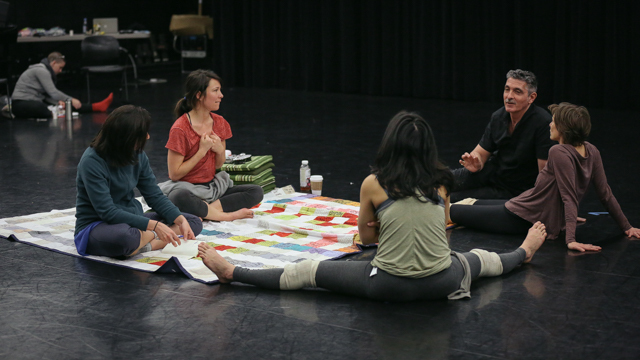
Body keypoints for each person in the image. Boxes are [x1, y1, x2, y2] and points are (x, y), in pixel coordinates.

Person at [196, 111, 547, 302]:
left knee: (306, 271)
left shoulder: (374, 184)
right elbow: (441, 229)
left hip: (387, 284)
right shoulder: (441, 181)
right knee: (483, 260)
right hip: (441, 281)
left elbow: (365, 237)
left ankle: (232, 273)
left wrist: (380, 229)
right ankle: (524, 251)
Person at [450, 102, 640, 252]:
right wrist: (627, 227)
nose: (550, 123)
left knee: (452, 211)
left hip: (525, 217)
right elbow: (604, 194)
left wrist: (571, 240)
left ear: (563, 128)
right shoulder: (591, 150)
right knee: (470, 202)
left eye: (554, 121)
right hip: (523, 204)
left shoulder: (558, 152)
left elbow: (569, 196)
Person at [74, 105, 202, 258]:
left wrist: (178, 219)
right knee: (126, 239)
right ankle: (148, 240)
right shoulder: (92, 161)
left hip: (131, 220)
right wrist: (154, 227)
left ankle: (146, 244)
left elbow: (154, 195)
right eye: (143, 133)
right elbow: (107, 212)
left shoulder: (138, 155)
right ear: (126, 137)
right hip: (97, 224)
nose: (147, 137)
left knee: (192, 222)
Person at [159, 69, 263, 221]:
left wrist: (220, 151)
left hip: (213, 188)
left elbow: (218, 165)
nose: (221, 95)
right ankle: (223, 215)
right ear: (199, 95)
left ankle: (204, 211)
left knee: (256, 191)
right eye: (216, 91)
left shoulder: (220, 123)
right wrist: (201, 151)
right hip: (187, 189)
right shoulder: (180, 128)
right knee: (178, 197)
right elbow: (174, 174)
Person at [451, 69, 555, 203]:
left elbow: (545, 175)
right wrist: (476, 161)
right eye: (507, 89)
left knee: (454, 200)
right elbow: (481, 152)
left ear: (531, 97)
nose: (509, 96)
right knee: (439, 181)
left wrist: (552, 209)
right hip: (491, 173)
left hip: (514, 190)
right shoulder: (498, 117)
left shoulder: (542, 124)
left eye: (517, 92)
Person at [10, 51, 113, 119]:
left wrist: (60, 102)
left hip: (34, 100)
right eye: (60, 67)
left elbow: (46, 95)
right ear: (54, 63)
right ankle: (59, 113)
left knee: (63, 105)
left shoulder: (46, 71)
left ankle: (95, 107)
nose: (60, 71)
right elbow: (53, 92)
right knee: (43, 108)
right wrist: (71, 99)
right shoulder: (41, 71)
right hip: (20, 104)